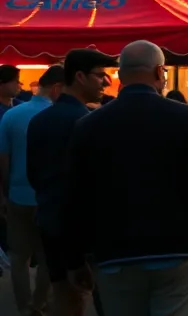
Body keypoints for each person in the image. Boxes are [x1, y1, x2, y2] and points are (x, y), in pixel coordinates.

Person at [64, 40, 188, 314]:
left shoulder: (88, 125)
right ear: (159, 72)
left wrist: (75, 258)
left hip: (115, 252)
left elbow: (76, 196)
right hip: (176, 248)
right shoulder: (185, 119)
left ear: (120, 75)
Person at [26, 49, 111, 316]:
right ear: (79, 76)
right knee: (101, 301)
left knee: (65, 299)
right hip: (87, 230)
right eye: (100, 75)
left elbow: (34, 173)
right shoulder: (89, 122)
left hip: (50, 222)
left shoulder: (40, 120)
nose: (106, 82)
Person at [0, 64, 63, 316]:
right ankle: (39, 303)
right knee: (47, 256)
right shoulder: (57, 116)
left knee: (18, 257)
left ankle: (24, 306)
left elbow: (3, 159)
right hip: (48, 197)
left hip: (17, 195)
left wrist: (4, 193)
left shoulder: (12, 115)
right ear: (58, 88)